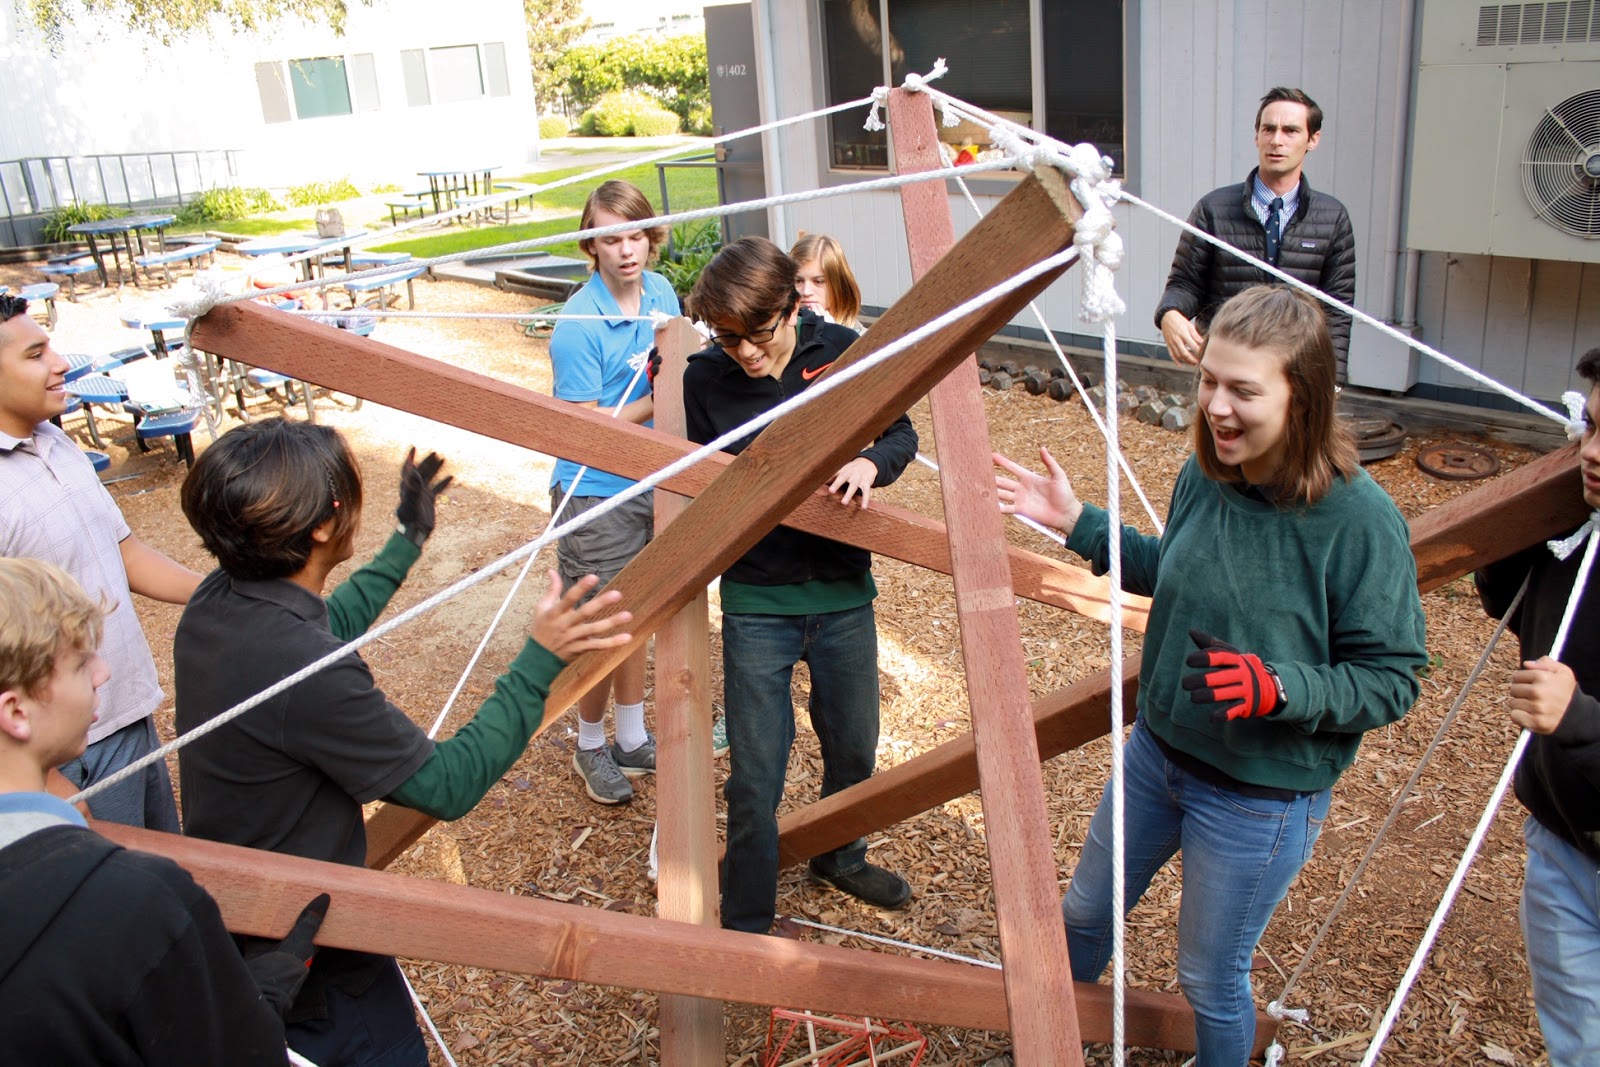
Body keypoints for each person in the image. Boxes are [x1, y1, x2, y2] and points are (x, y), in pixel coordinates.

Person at [995, 285, 1425, 1064]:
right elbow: (1178, 571)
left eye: (1244, 390)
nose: (1217, 407)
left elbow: (1392, 677)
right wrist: (1077, 522)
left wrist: (1283, 688)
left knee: (1208, 977)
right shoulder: (1211, 472)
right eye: (1209, 382)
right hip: (1157, 756)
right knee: (1083, 913)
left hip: (1258, 796)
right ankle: (1053, 1043)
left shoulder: (1359, 521)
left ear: (1304, 400)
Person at [173, 418, 633, 1067]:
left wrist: (406, 540)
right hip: (314, 962)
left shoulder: (216, 603)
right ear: (328, 524)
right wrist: (538, 660)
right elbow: (445, 784)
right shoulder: (306, 670)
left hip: (251, 932)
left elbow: (323, 626)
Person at [0, 556, 324, 1066]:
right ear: (16, 711)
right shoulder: (137, 903)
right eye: (82, 663)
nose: (104, 672)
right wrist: (261, 993)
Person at [682, 236, 918, 934]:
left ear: (793, 306)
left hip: (843, 592)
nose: (748, 353)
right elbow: (693, 482)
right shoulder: (705, 379)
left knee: (854, 744)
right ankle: (748, 913)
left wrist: (873, 464)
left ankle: (838, 855)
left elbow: (899, 431)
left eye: (761, 334)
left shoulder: (840, 351)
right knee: (757, 769)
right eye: (729, 339)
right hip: (757, 598)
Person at [0, 293, 201, 831]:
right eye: (36, 353)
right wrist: (42, 779)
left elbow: (124, 552)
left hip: (124, 710)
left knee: (168, 873)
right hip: (61, 751)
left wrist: (218, 591)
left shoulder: (55, 442)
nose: (61, 363)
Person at [1475, 347, 1600, 1066]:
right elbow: (1514, 605)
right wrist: (1513, 536)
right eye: (1589, 425)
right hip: (1563, 843)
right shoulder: (1578, 532)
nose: (1593, 450)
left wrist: (1580, 717)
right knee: (1581, 1045)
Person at [549, 179, 680, 805]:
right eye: (610, 238)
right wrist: (659, 402)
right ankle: (590, 743)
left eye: (635, 235)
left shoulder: (662, 292)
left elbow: (678, 362)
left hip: (654, 479)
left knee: (641, 612)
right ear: (592, 246)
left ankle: (631, 737)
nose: (626, 250)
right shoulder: (578, 322)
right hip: (593, 491)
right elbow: (581, 427)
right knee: (602, 626)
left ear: (650, 238)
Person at [1155, 87, 1356, 386]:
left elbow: (1337, 311)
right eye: (1268, 129)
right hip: (1226, 368)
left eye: (1290, 131)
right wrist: (1169, 313)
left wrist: (1333, 381)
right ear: (1257, 136)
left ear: (1312, 139)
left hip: (1296, 372)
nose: (1277, 140)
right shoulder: (1214, 209)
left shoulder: (1332, 217)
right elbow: (1185, 282)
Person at [790, 233, 863, 332]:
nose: (806, 292)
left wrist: (832, 334)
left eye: (818, 281)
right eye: (798, 281)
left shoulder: (861, 338)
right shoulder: (777, 332)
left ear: (839, 284)